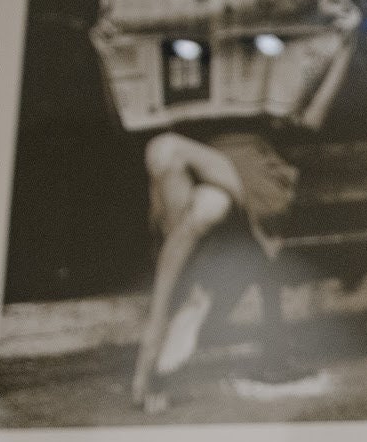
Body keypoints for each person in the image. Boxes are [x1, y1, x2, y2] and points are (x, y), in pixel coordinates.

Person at [129, 129, 300, 413]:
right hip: (200, 160)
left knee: (165, 149)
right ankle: (189, 305)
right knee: (207, 205)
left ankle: (158, 327)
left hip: (248, 160)